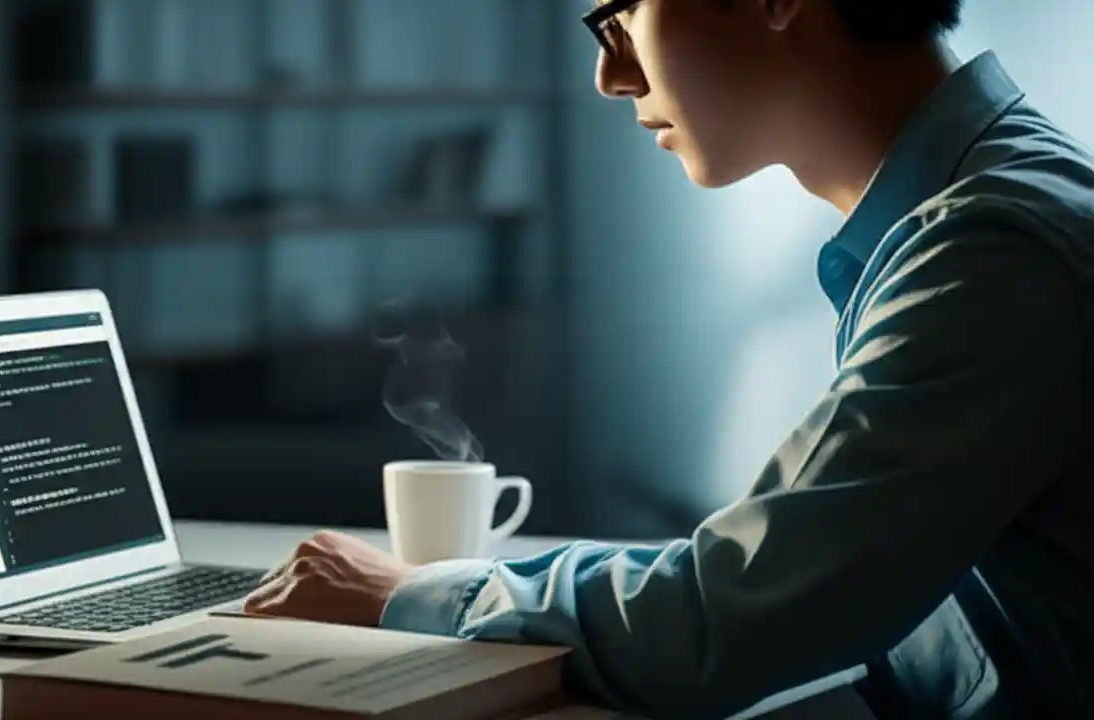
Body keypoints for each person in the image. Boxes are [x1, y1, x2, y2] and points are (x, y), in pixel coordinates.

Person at [241, 1, 1094, 717]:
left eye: (621, 16)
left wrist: (410, 596)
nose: (610, 77)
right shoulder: (987, 211)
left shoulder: (989, 250)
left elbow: (731, 619)